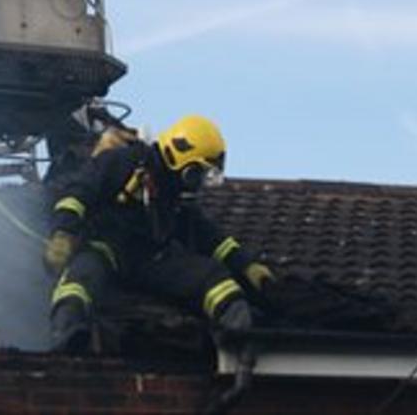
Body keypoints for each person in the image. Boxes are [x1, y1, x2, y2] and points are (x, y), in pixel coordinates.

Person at [42, 114, 275, 353]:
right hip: (105, 247)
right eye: (197, 173)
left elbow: (211, 238)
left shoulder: (175, 197)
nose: (199, 183)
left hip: (151, 258)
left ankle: (239, 339)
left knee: (213, 278)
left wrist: (246, 266)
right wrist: (63, 234)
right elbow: (77, 196)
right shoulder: (122, 163)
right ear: (180, 157)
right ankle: (67, 338)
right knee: (81, 278)